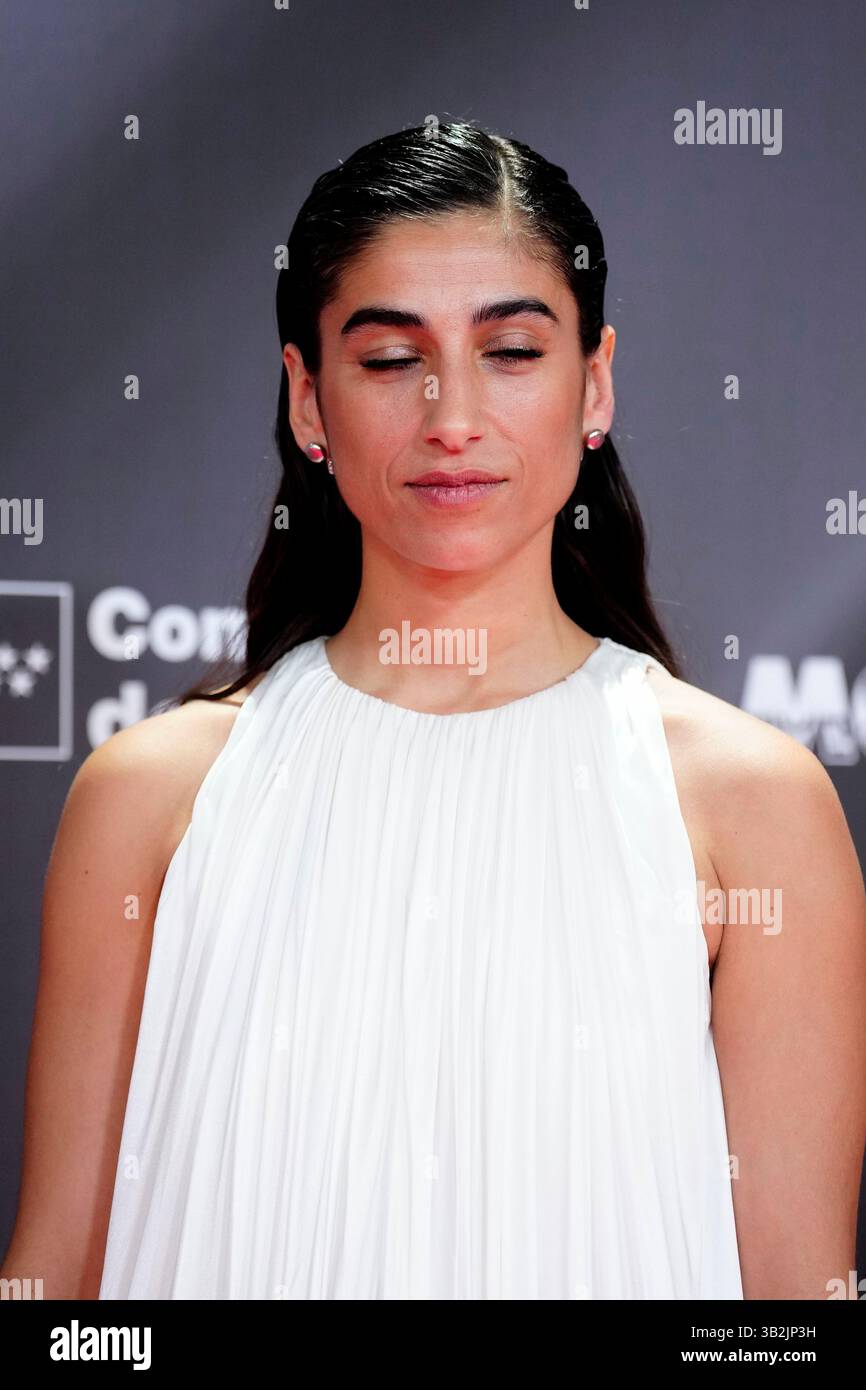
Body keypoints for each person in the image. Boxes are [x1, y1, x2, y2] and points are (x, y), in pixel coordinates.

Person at [2, 121, 864, 1300]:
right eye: (386, 358)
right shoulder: (152, 796)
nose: (451, 416)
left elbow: (790, 1308)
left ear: (593, 381)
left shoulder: (747, 804)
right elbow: (54, 1295)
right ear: (307, 398)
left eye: (509, 350)